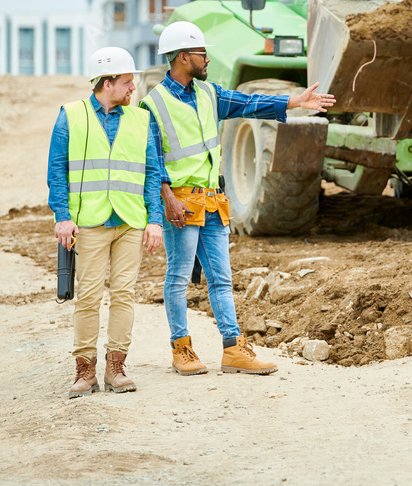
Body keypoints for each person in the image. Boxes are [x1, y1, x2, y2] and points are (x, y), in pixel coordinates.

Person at [141, 21, 334, 376]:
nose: (207, 59)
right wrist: (167, 198)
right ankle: (181, 348)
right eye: (201, 53)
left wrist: (296, 100)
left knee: (221, 280)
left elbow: (251, 103)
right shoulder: (153, 104)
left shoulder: (209, 94)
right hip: (180, 204)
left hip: (213, 202)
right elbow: (151, 161)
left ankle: (233, 349)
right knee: (178, 278)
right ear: (183, 57)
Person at [48, 47, 164, 398]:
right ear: (108, 82)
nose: (133, 88)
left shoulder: (141, 120)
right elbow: (57, 170)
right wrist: (63, 217)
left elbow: (152, 173)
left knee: (125, 295)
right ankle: (85, 372)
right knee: (88, 298)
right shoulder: (71, 115)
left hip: (130, 221)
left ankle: (116, 368)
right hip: (91, 222)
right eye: (128, 82)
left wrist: (154, 220)